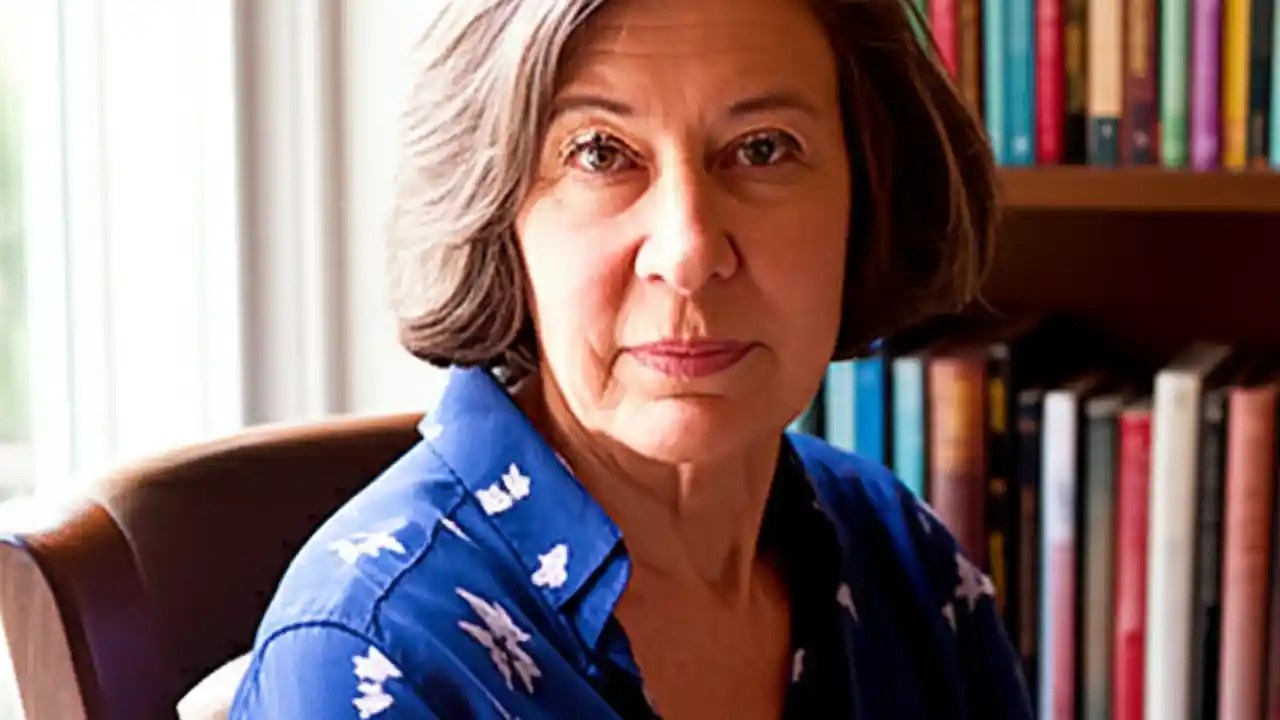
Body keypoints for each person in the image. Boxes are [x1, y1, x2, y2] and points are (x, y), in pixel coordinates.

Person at [230, 0, 1030, 717]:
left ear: (869, 199)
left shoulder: (899, 554)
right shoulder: (376, 653)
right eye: (599, 153)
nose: (688, 252)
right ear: (499, 214)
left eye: (762, 148)